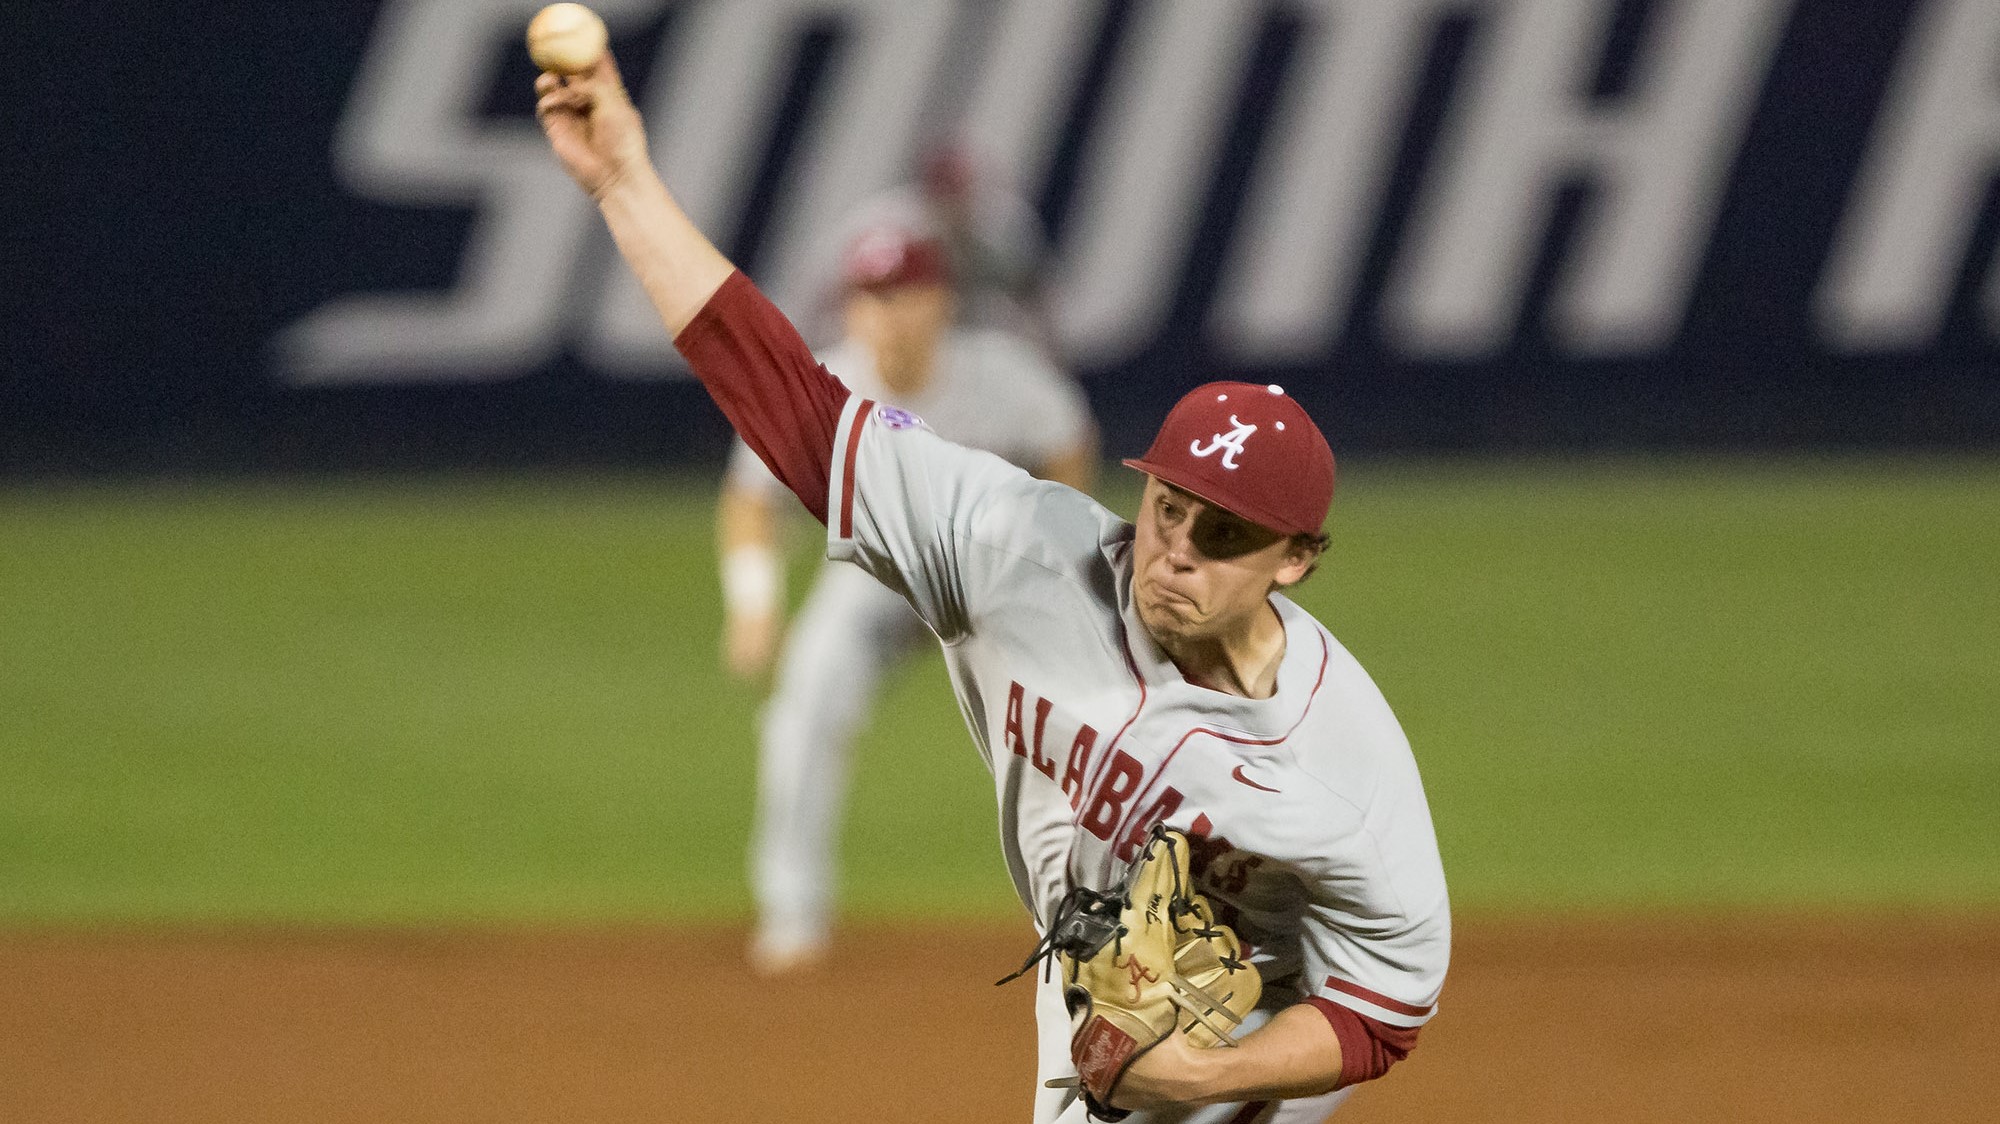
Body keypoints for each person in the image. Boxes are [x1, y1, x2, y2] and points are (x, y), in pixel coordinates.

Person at [536, 54, 1448, 1123]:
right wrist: (624, 186)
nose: (1175, 548)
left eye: (1225, 533)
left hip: (1241, 1059)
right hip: (1094, 1017)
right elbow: (793, 406)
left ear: (1293, 560)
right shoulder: (1015, 548)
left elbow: (1385, 1004)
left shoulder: (1344, 760)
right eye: (1167, 506)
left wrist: (1206, 1073)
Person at [722, 222, 1097, 974]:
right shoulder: (822, 385)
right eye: (873, 294)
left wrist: (1052, 562)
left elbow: (1067, 444)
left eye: (908, 292)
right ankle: (793, 914)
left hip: (991, 572)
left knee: (1080, 723)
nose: (891, 311)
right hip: (876, 573)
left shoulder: (1002, 374)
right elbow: (751, 502)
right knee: (803, 709)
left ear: (943, 303)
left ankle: (1097, 908)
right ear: (851, 309)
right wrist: (755, 605)